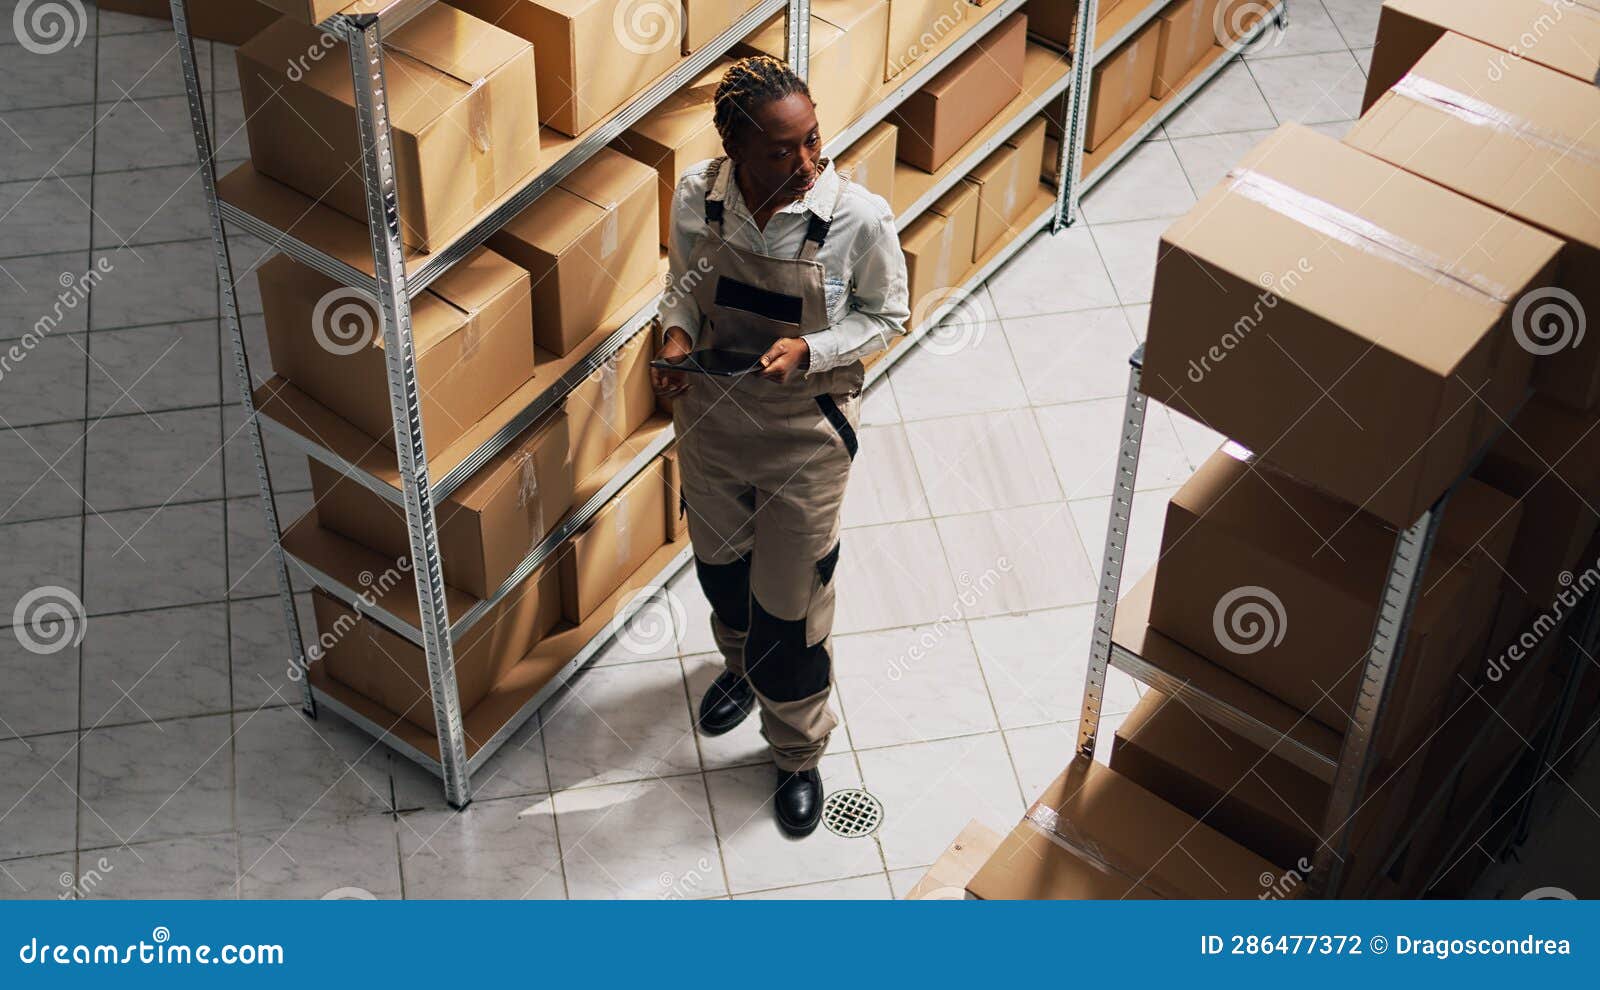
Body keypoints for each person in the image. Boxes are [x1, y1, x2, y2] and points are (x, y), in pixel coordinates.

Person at [652, 55, 911, 837]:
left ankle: (797, 752)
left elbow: (888, 316)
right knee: (722, 570)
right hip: (712, 421)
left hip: (806, 433)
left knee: (791, 606)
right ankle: (739, 669)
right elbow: (682, 289)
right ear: (733, 147)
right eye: (780, 149)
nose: (805, 163)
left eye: (812, 140)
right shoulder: (699, 197)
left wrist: (813, 349)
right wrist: (674, 338)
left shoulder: (858, 219)